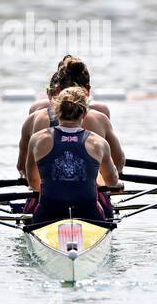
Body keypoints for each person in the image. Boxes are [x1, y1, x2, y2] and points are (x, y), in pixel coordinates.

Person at [16, 56, 123, 179]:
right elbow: (118, 163)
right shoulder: (100, 118)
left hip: (45, 195)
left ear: (58, 90)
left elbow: (22, 168)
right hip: (89, 195)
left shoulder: (34, 119)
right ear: (87, 90)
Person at [25, 87, 120, 226]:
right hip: (89, 213)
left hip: (49, 212)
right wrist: (118, 184)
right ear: (84, 113)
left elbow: (33, 182)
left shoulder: (37, 139)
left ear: (56, 111)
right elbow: (111, 181)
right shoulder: (99, 142)